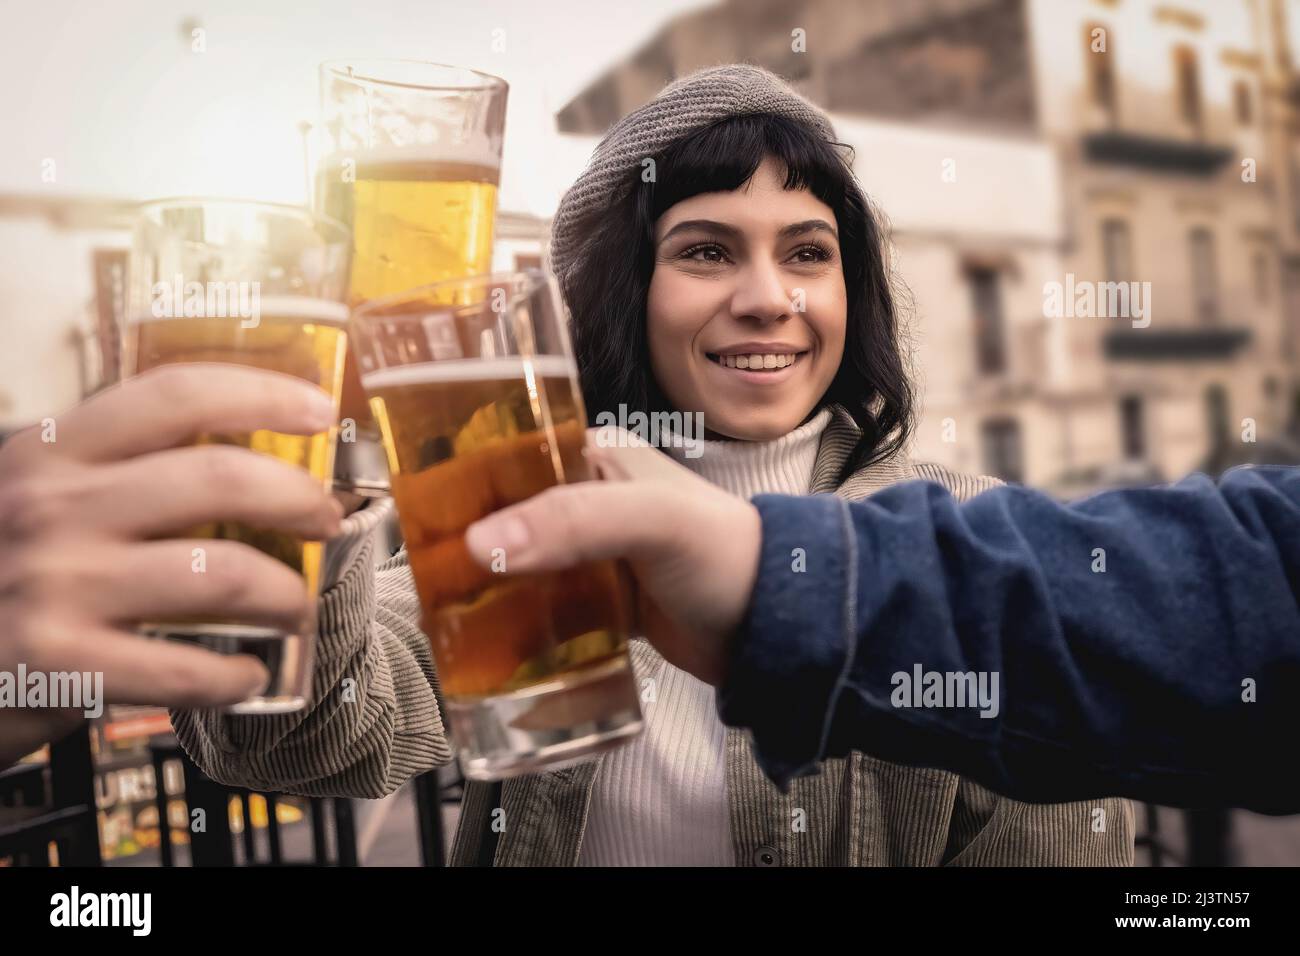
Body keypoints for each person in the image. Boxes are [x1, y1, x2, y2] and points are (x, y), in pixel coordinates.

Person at [163, 64, 1131, 866]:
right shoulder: (527, 515)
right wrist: (309, 495)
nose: (768, 298)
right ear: (621, 292)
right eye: (705, 251)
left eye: (807, 252)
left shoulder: (977, 541)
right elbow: (289, 743)